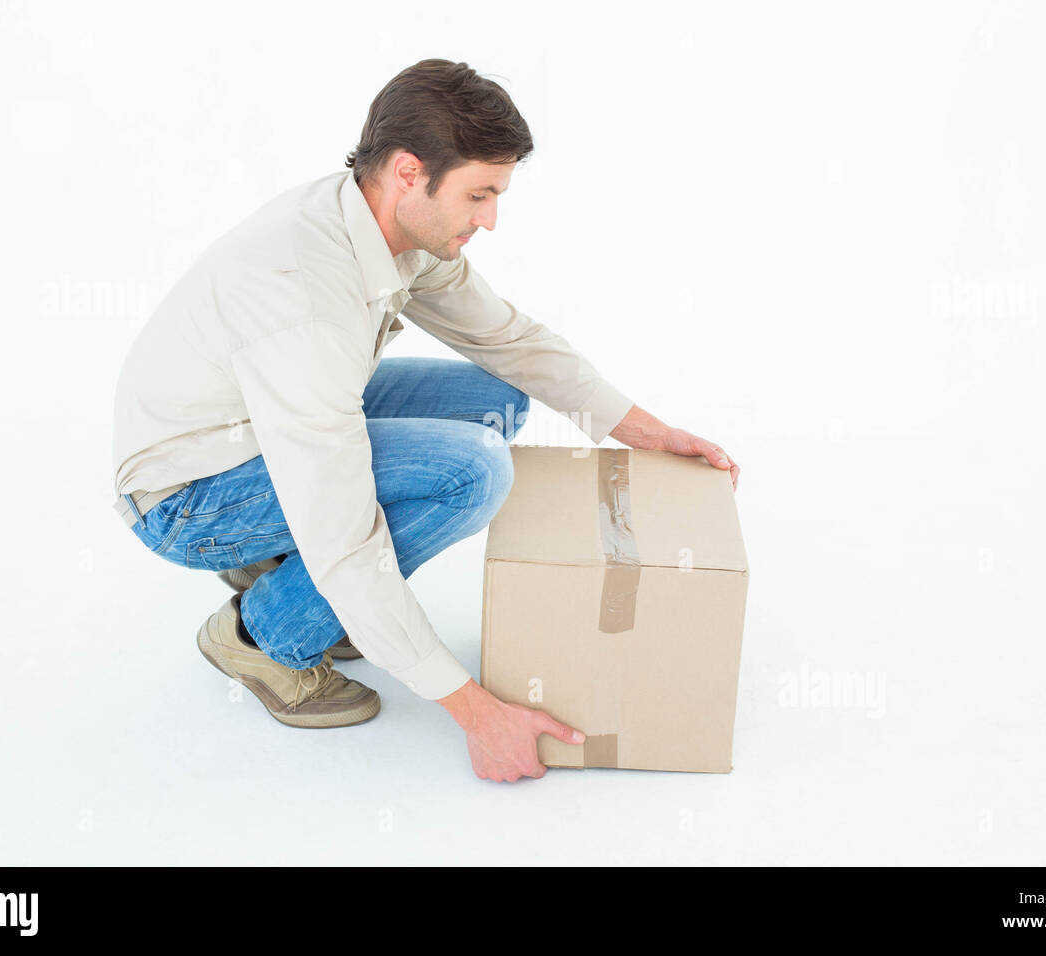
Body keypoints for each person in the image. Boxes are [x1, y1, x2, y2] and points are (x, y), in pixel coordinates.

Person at [111, 58, 740, 783]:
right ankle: (262, 634)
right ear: (410, 172)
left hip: (258, 421)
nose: (490, 218)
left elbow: (506, 338)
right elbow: (346, 539)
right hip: (188, 495)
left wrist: (646, 429)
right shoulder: (304, 300)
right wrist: (477, 711)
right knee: (471, 472)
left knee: (492, 402)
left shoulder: (388, 226)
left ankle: (282, 574)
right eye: (479, 194)